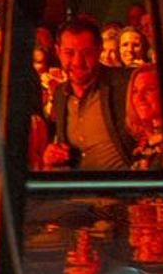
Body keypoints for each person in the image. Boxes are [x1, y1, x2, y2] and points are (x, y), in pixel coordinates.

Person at [41, 18, 136, 170]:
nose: (78, 62)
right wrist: (51, 156)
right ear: (58, 52)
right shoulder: (60, 94)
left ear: (100, 50)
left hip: (125, 189)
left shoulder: (126, 83)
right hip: (79, 190)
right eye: (69, 53)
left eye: (87, 53)